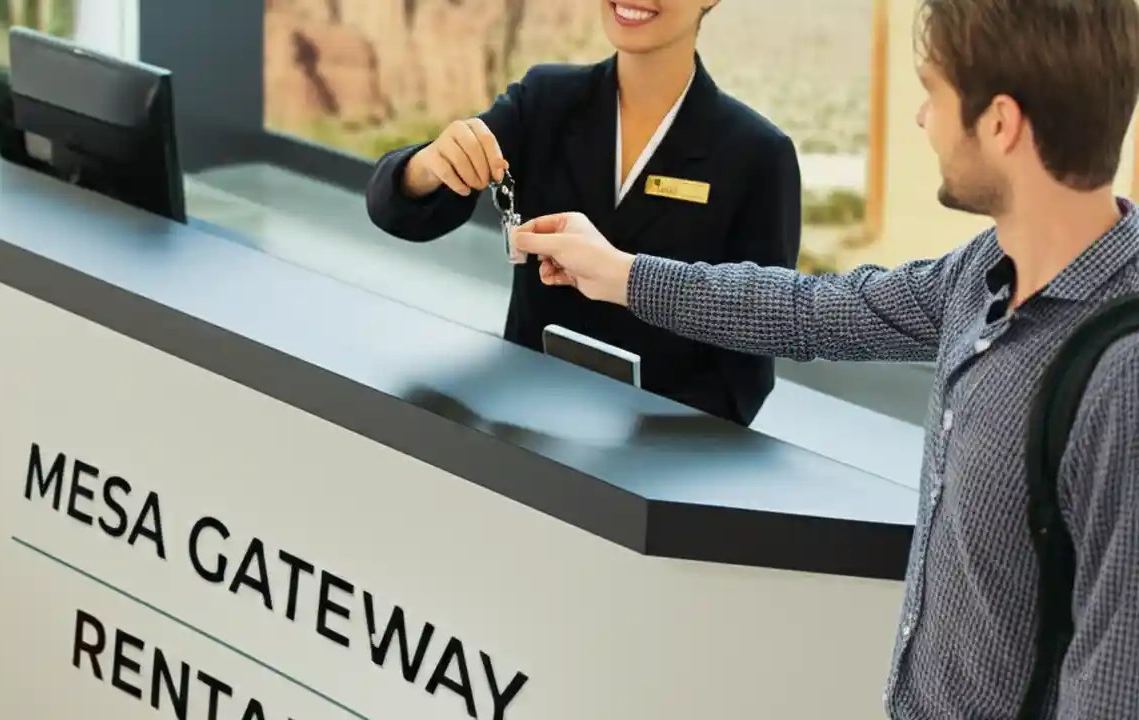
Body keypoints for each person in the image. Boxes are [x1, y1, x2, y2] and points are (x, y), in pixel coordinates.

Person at [513, 0, 1139, 716]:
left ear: (999, 124)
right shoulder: (986, 271)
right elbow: (814, 311)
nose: (921, 120)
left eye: (931, 95)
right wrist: (622, 274)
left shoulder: (1123, 377)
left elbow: (1115, 689)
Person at [365, 0, 801, 426]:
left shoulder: (758, 155)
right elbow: (401, 213)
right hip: (520, 434)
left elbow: (746, 370)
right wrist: (425, 168)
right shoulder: (546, 100)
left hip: (659, 463)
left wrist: (643, 449)